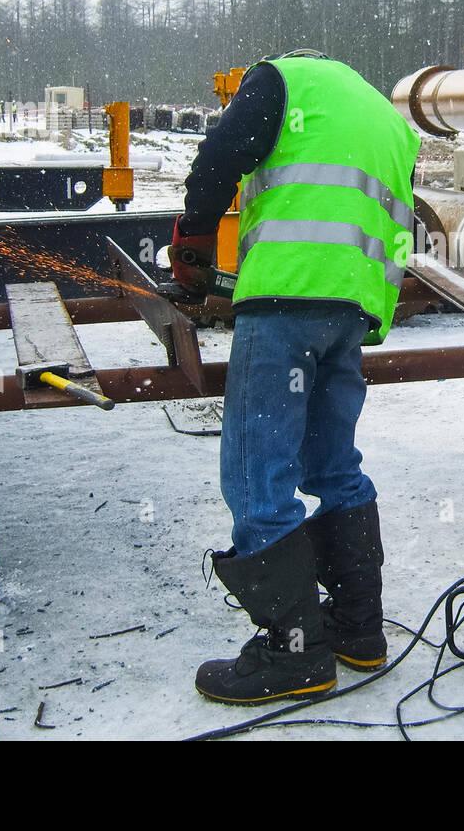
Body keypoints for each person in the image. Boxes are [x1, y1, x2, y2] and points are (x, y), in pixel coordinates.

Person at [168, 50, 421, 703]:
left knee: (258, 470)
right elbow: (399, 228)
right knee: (333, 463)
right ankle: (356, 629)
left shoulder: (279, 80)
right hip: (352, 307)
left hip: (285, 302)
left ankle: (292, 650)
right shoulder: (385, 116)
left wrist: (193, 239)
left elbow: (220, 156)